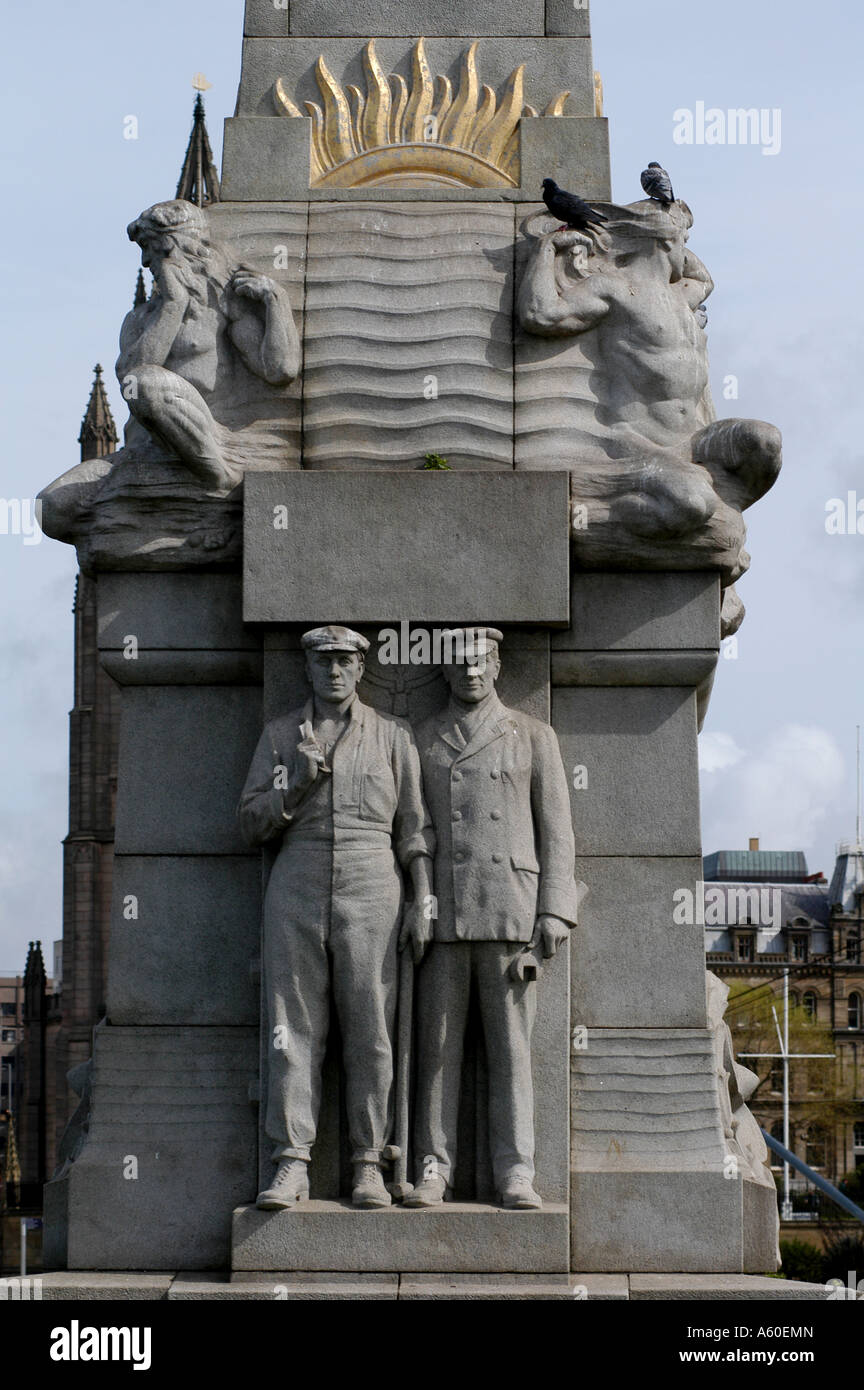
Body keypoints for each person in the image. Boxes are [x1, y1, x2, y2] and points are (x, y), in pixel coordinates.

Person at [239, 626, 434, 1210]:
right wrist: (293, 786)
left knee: (370, 1029)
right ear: (307, 666)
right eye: (322, 660)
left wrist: (422, 900)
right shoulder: (279, 737)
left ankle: (368, 1163)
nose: (333, 670)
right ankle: (292, 1162)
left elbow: (415, 830)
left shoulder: (393, 737)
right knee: (291, 1028)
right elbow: (251, 822)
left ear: (361, 668)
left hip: (373, 882)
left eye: (345, 659)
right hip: (296, 879)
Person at [406, 628, 580, 1209]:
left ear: (498, 665)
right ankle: (434, 1168)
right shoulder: (421, 738)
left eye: (481, 661)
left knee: (512, 1056)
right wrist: (420, 898)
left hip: (511, 912)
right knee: (436, 1053)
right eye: (460, 664)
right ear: (445, 672)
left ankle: (516, 1172)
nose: (472, 672)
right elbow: (414, 827)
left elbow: (557, 831)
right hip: (446, 915)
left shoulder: (533, 736)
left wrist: (554, 909)